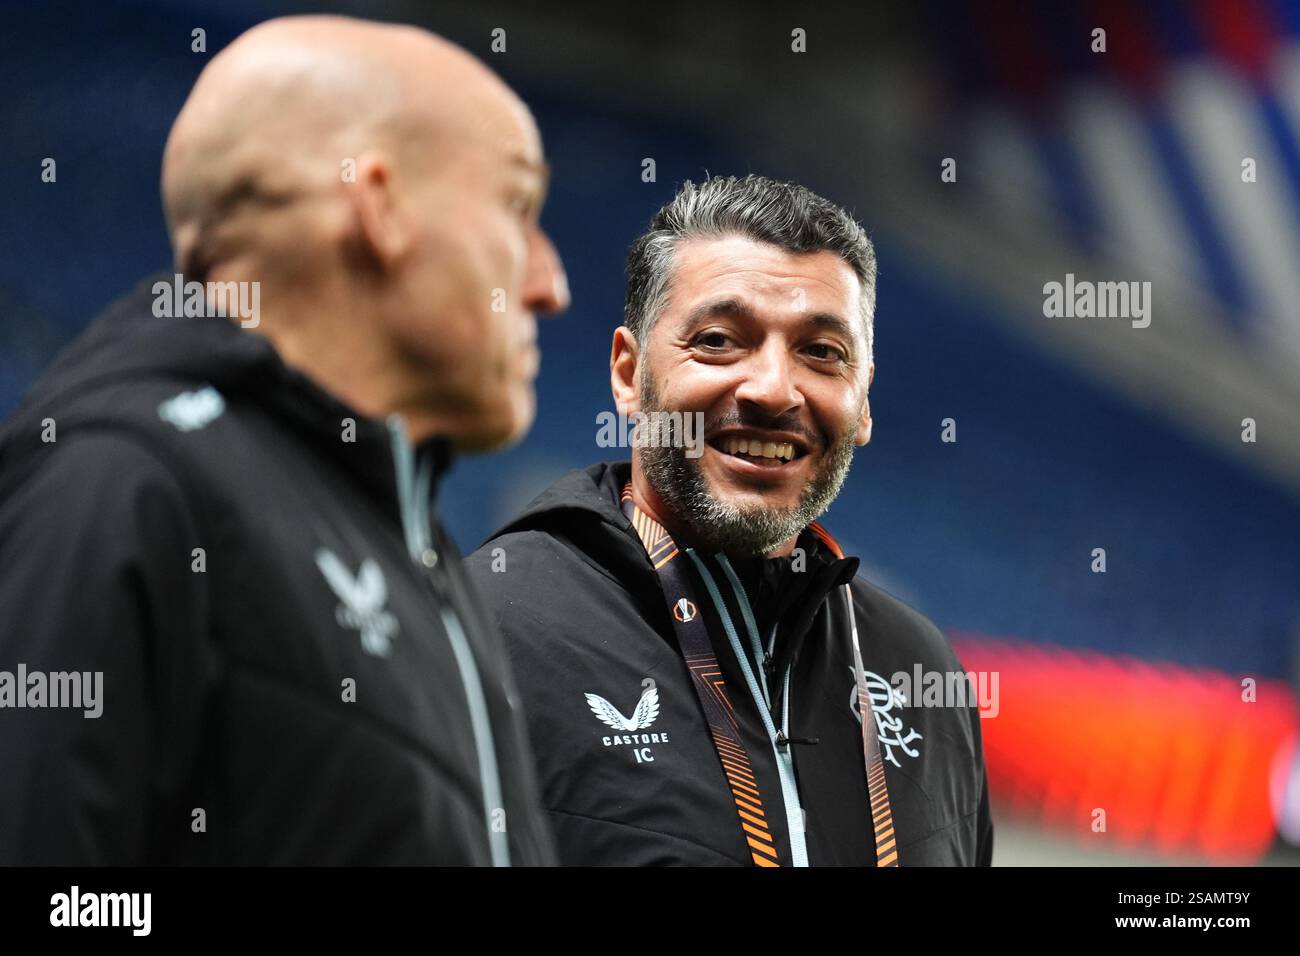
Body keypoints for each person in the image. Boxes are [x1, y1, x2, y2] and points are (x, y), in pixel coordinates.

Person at [0, 15, 568, 864]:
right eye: (517, 206)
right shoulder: (120, 482)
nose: (551, 283)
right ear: (377, 205)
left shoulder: (423, 555)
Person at [465, 174, 993, 866]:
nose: (774, 389)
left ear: (862, 402)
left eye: (821, 353)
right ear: (628, 375)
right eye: (718, 340)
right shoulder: (488, 630)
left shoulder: (918, 666)